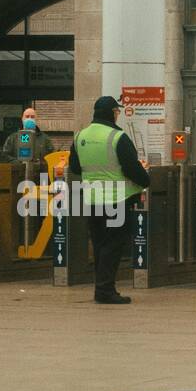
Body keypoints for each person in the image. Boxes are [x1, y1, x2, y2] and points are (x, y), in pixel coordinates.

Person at [69, 94, 150, 305]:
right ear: (112, 113)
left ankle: (101, 288)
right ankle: (105, 290)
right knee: (114, 245)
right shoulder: (117, 137)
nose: (118, 115)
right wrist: (146, 180)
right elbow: (132, 167)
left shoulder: (80, 137)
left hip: (91, 199)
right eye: (117, 111)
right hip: (117, 200)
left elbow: (75, 168)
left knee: (99, 244)